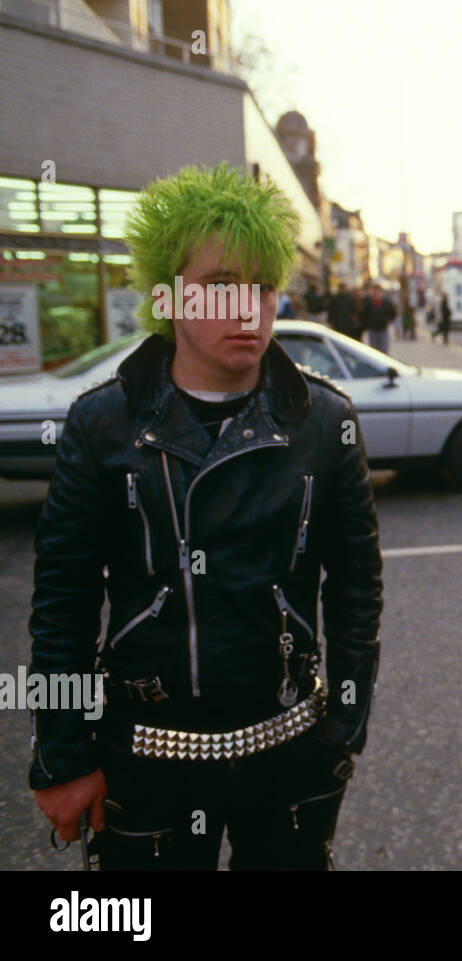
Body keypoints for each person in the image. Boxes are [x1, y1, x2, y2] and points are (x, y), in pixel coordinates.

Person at [28, 164, 383, 870]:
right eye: (220, 286)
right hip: (145, 760)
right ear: (167, 295)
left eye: (262, 286)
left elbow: (355, 590)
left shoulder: (325, 422)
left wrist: (344, 727)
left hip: (289, 753)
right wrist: (64, 756)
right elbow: (63, 599)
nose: (247, 309)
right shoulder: (102, 423)